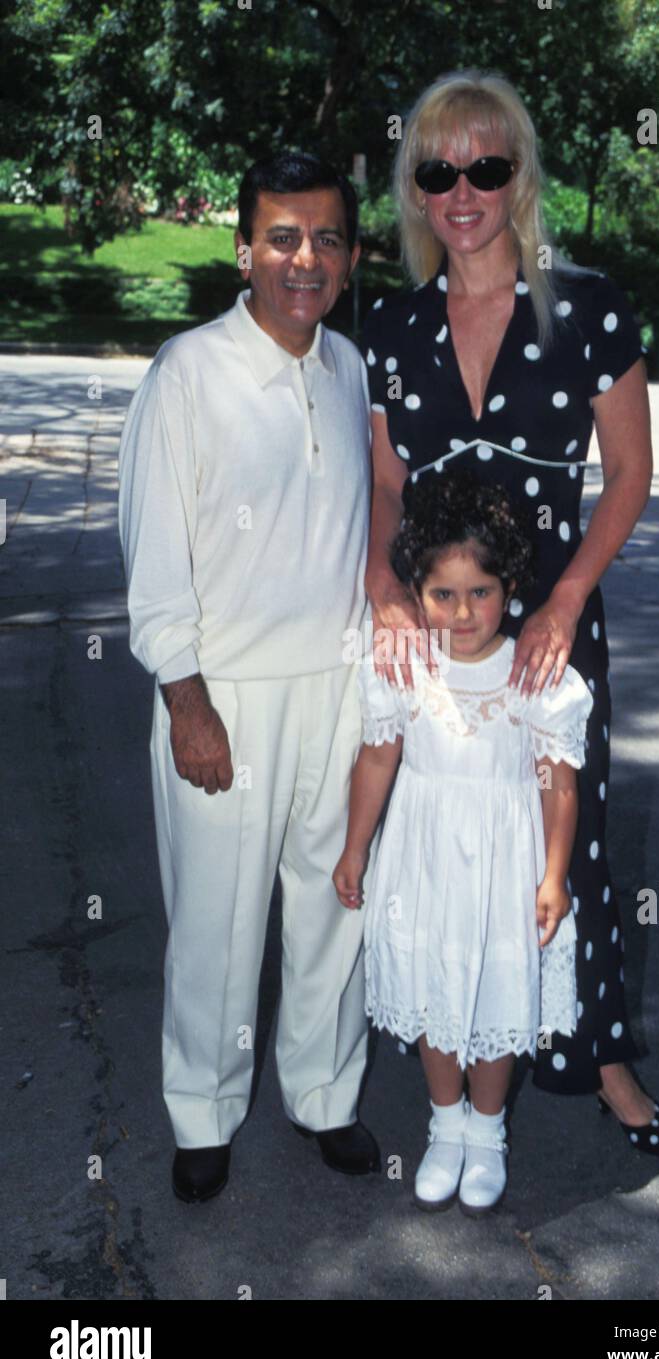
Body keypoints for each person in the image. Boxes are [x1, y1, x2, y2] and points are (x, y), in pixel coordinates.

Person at [360, 68, 659, 1159]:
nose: (463, 190)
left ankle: (598, 1055)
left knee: (566, 841)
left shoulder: (587, 305)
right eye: (438, 169)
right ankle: (455, 1073)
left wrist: (566, 598)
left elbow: (631, 473)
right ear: (414, 187)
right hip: (437, 628)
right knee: (443, 844)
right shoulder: (394, 322)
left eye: (486, 167)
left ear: (520, 178)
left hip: (549, 620)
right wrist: (382, 590)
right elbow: (384, 486)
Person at [117, 151, 381, 1203]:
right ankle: (204, 1110)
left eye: (325, 239)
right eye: (282, 236)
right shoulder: (188, 371)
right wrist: (186, 700)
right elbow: (153, 553)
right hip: (223, 694)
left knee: (335, 907)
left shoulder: (351, 368)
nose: (303, 259)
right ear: (245, 249)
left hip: (340, 685)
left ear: (351, 257)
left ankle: (325, 1094)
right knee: (219, 924)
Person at [333, 469, 594, 1214]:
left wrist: (554, 875)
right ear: (415, 591)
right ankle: (444, 1124)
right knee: (436, 991)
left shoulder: (536, 672)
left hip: (505, 867)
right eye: (442, 594)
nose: (463, 611)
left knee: (494, 996)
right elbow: (377, 756)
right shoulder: (402, 664)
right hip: (423, 862)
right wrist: (355, 849)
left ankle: (487, 1131)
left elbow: (558, 782)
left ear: (509, 586)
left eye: (481, 592)